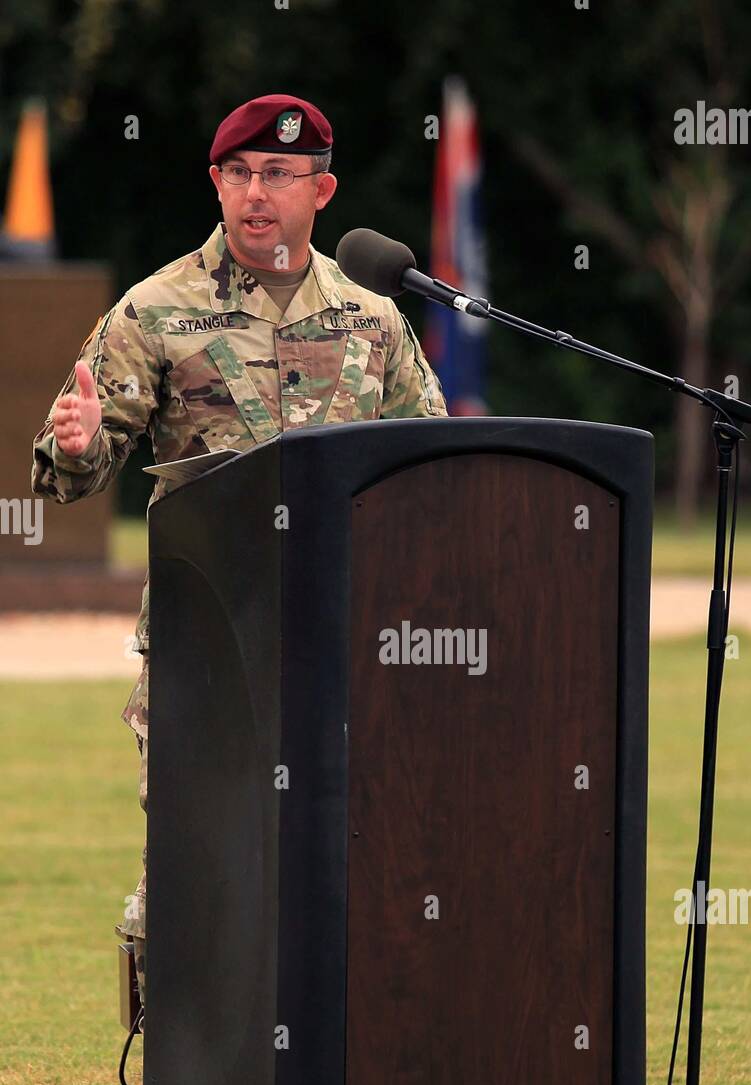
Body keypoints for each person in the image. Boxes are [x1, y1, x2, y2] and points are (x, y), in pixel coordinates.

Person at [31, 93, 448, 1021]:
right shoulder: (156, 308)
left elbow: (434, 474)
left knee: (359, 860)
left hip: (348, 648)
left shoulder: (375, 321)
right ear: (217, 184)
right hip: (206, 645)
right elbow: (71, 474)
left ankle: (355, 1069)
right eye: (240, 174)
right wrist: (74, 442)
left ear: (322, 190)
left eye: (280, 175)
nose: (258, 193)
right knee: (197, 861)